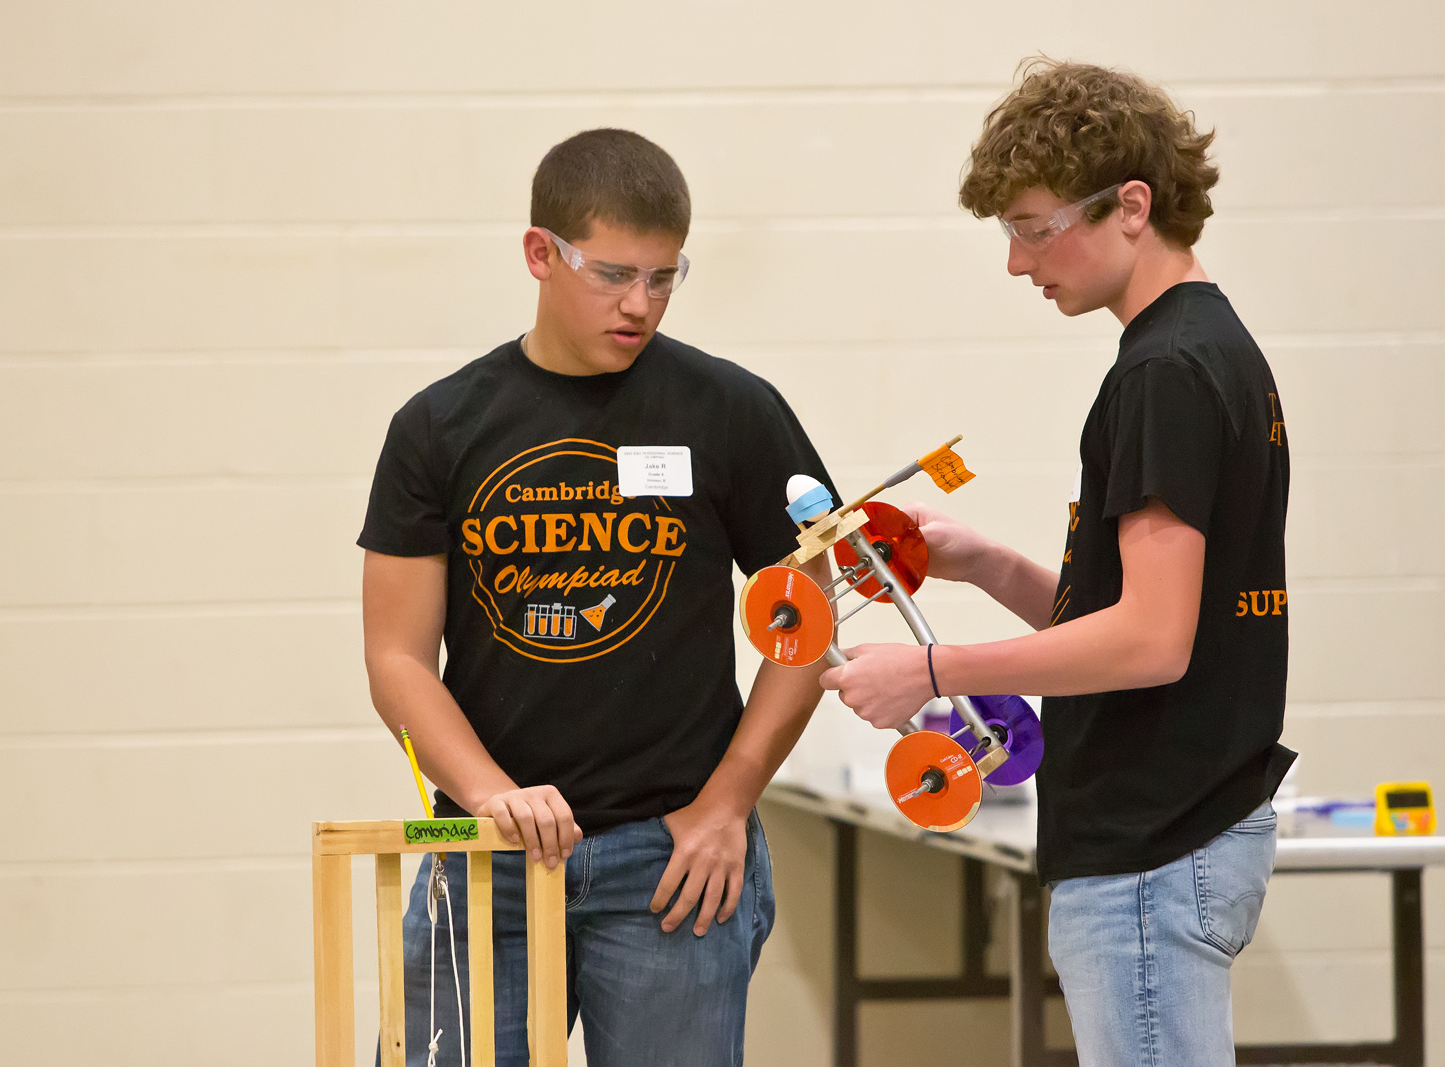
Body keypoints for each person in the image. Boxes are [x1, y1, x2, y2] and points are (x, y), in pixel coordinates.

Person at [821, 61, 1296, 1065]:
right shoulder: (1202, 350)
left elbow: (1150, 642)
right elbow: (1148, 618)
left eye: (1033, 229)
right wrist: (985, 560)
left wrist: (933, 670)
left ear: (1131, 205)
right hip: (1166, 836)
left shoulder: (1165, 372)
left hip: (1153, 843)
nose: (1016, 264)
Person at [359, 128, 835, 1067]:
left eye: (664, 278)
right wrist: (493, 796)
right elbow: (396, 658)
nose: (640, 304)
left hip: (673, 859)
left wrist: (728, 801)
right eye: (614, 273)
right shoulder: (439, 426)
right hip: (485, 856)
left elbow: (808, 624)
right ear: (541, 253)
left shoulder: (731, 410)